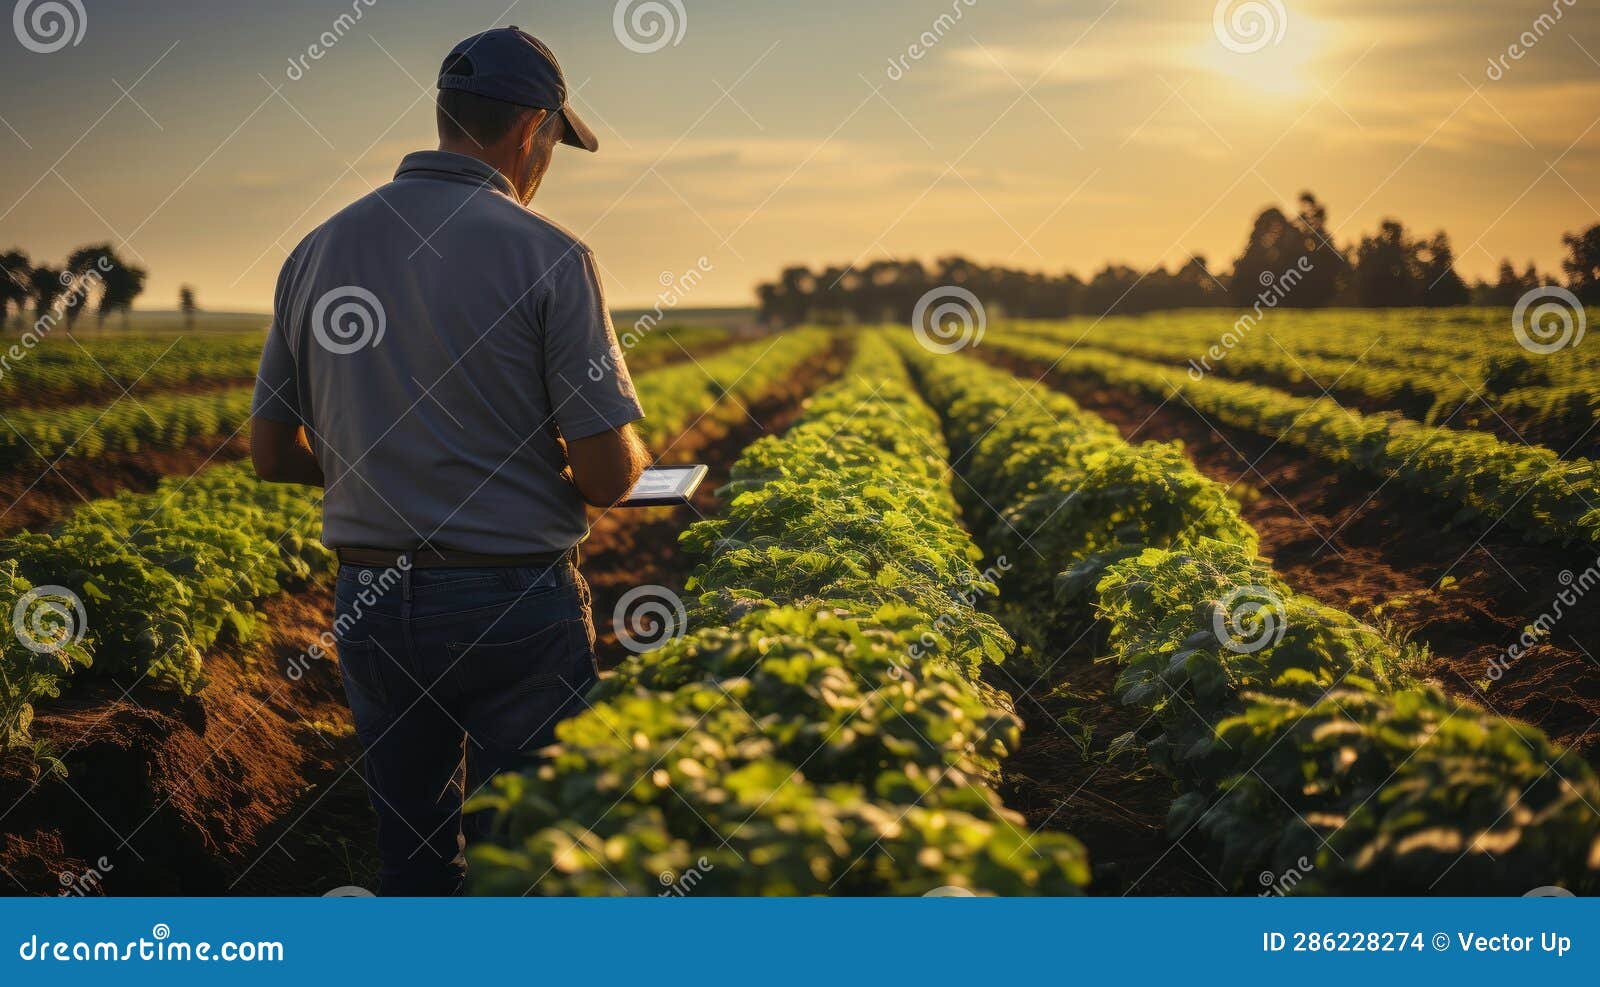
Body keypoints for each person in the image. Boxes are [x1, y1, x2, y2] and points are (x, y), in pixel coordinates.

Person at [249, 26, 650, 896]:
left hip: (372, 602)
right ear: (531, 130)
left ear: (445, 117)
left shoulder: (314, 251)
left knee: (413, 866)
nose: (547, 161)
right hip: (511, 604)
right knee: (533, 865)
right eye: (553, 144)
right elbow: (609, 477)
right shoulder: (550, 254)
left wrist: (384, 468)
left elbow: (271, 453)